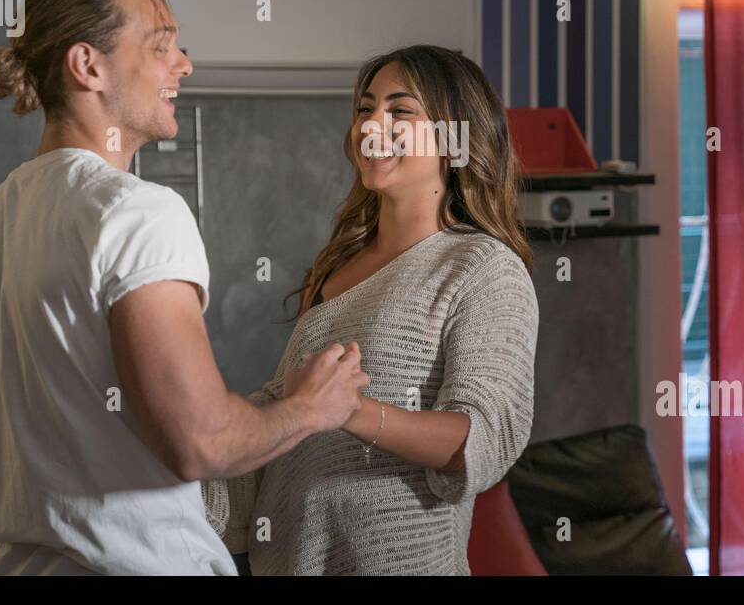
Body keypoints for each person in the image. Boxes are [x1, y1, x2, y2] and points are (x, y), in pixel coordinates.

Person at [0, 0, 368, 575]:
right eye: (161, 46)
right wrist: (310, 408)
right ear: (88, 66)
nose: (183, 64)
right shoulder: (136, 212)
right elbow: (200, 441)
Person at [204, 44, 539, 575]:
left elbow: (483, 438)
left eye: (399, 110)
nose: (369, 125)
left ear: (455, 137)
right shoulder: (335, 267)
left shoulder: (482, 268)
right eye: (365, 108)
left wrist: (354, 413)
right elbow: (290, 412)